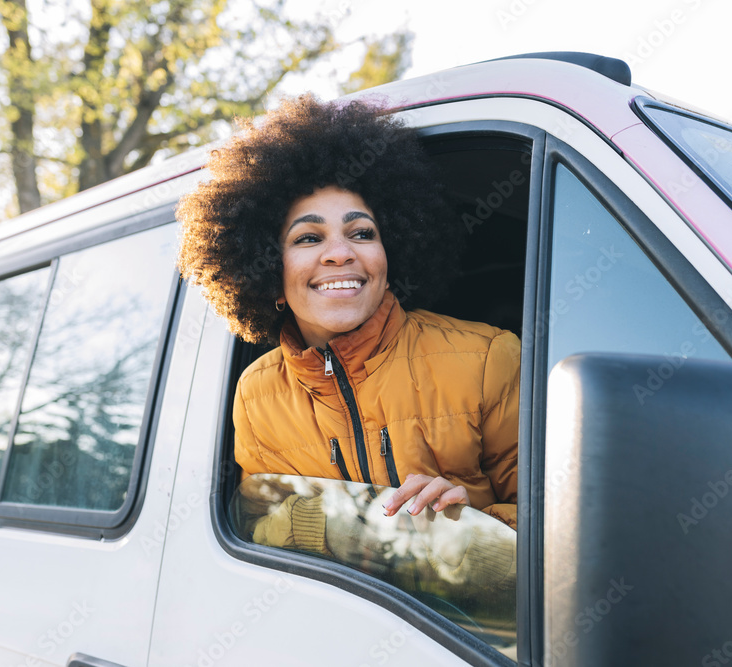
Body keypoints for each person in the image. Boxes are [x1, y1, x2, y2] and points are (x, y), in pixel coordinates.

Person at [176, 94, 520, 557]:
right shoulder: (255, 394)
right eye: (308, 237)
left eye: (361, 233)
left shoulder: (488, 357)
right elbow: (254, 532)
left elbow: (555, 526)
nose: (340, 253)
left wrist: (468, 525)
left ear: (390, 254)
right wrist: (321, 522)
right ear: (268, 274)